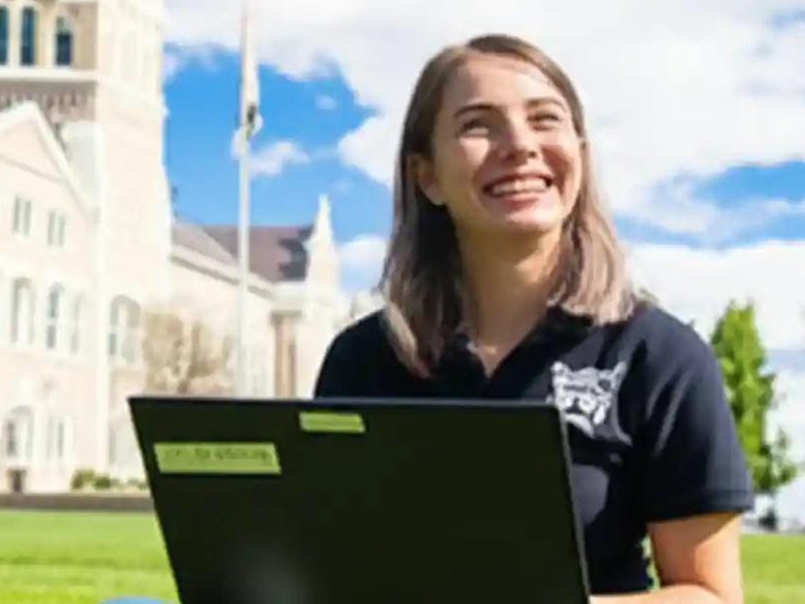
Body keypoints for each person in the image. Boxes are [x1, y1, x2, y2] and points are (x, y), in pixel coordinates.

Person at [313, 34, 754, 603]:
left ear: (580, 154)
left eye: (545, 119)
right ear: (428, 177)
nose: (519, 144)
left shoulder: (658, 355)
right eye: (478, 125)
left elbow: (709, 595)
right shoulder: (364, 359)